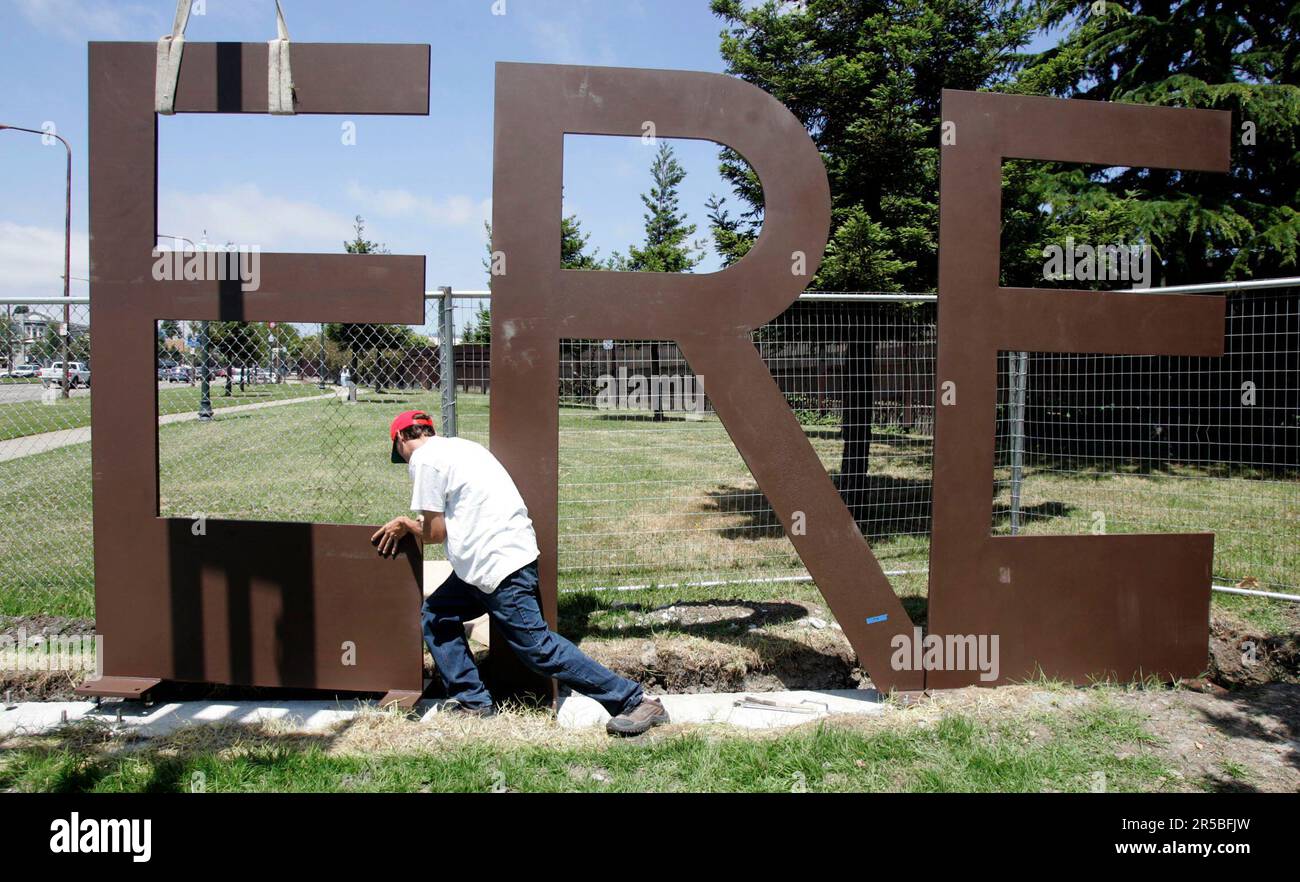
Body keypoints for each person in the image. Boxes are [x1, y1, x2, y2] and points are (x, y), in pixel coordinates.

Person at [372, 410, 670, 736]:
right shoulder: (461, 447)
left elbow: (435, 532)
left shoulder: (425, 460)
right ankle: (473, 702)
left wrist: (405, 525)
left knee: (539, 649)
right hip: (489, 562)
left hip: (497, 566)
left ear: (401, 438)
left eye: (398, 451)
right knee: (438, 614)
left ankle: (635, 700)